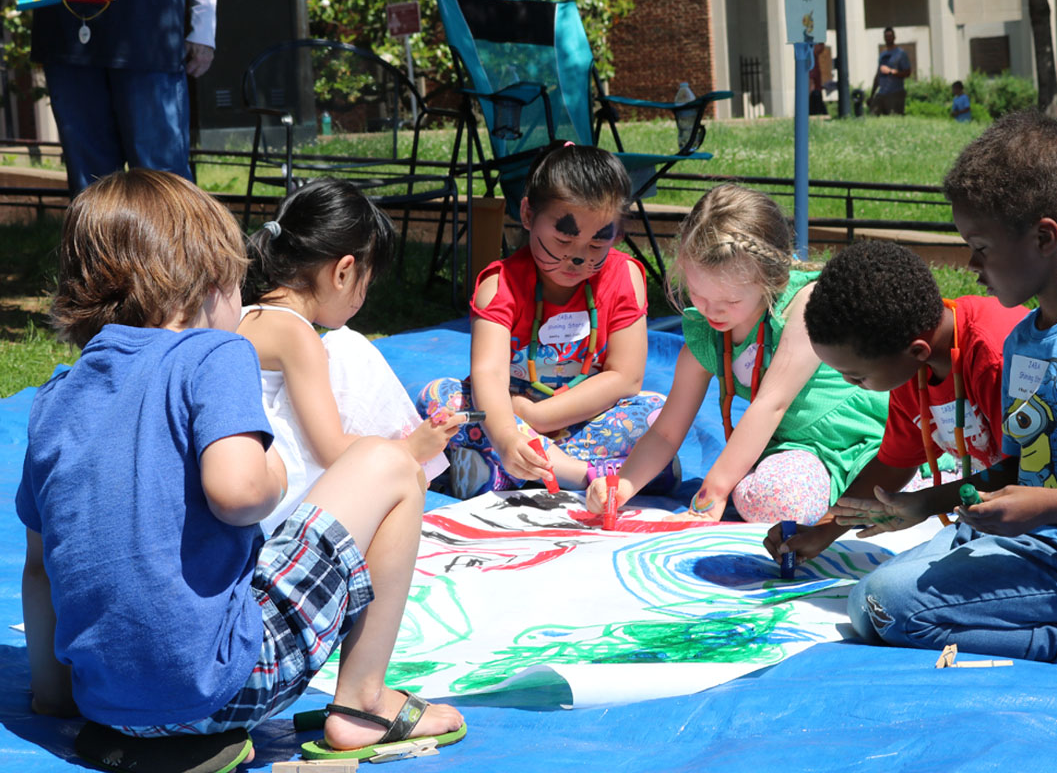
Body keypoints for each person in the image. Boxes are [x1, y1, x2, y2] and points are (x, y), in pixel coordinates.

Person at [18, 169, 465, 769]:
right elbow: (238, 492)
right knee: (387, 464)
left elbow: (41, 571)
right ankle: (364, 703)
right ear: (203, 285)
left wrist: (53, 699)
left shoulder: (53, 398)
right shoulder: (213, 352)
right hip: (224, 685)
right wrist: (276, 468)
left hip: (105, 705)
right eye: (236, 286)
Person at [817, 110, 1057, 665]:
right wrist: (924, 504)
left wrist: (1043, 507)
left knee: (886, 607)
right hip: (1035, 537)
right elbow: (1019, 467)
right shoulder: (1025, 340)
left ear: (1044, 237)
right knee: (872, 593)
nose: (971, 265)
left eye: (982, 246)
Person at [586, 184, 888, 524]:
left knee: (767, 499)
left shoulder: (805, 307)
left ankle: (894, 485)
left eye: (730, 301)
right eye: (697, 293)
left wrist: (712, 492)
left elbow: (771, 404)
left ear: (772, 279)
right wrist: (623, 485)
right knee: (760, 498)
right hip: (796, 451)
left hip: (854, 440)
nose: (711, 311)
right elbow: (666, 432)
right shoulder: (706, 334)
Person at [418, 142, 670, 499]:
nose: (578, 258)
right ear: (527, 214)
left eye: (598, 245)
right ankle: (591, 474)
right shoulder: (499, 284)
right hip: (506, 416)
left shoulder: (625, 276)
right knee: (442, 400)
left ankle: (504, 472)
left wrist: (541, 417)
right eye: (565, 237)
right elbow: (488, 374)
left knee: (658, 413)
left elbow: (626, 377)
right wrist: (506, 438)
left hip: (580, 415)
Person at [763, 239, 1028, 560]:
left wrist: (927, 502)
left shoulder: (996, 358)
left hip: (1048, 525)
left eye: (857, 377)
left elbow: (1025, 471)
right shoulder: (911, 363)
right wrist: (825, 528)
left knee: (883, 594)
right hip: (998, 517)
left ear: (917, 350)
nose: (851, 385)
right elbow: (892, 464)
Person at [238, 178, 459, 534]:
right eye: (366, 282)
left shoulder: (244, 313)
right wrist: (408, 448)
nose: (363, 297)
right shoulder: (297, 335)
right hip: (271, 511)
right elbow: (331, 449)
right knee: (349, 348)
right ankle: (416, 479)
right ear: (342, 272)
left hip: (245, 489)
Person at [32, 0, 216, 194]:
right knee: (90, 183)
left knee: (161, 178)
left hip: (146, 33)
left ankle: (172, 230)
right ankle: (97, 231)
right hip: (64, 32)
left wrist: (203, 25)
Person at [868, 27, 911, 116]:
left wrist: (891, 71)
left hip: (895, 92)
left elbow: (908, 72)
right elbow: (878, 75)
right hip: (881, 92)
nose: (888, 38)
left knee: (895, 118)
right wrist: (872, 95)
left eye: (890, 36)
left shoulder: (900, 54)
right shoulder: (882, 55)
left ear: (894, 37)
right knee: (872, 115)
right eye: (886, 36)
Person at [808, 42, 829, 117]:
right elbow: (811, 80)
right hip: (813, 96)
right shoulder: (810, 59)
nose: (822, 47)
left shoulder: (814, 58)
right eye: (819, 45)